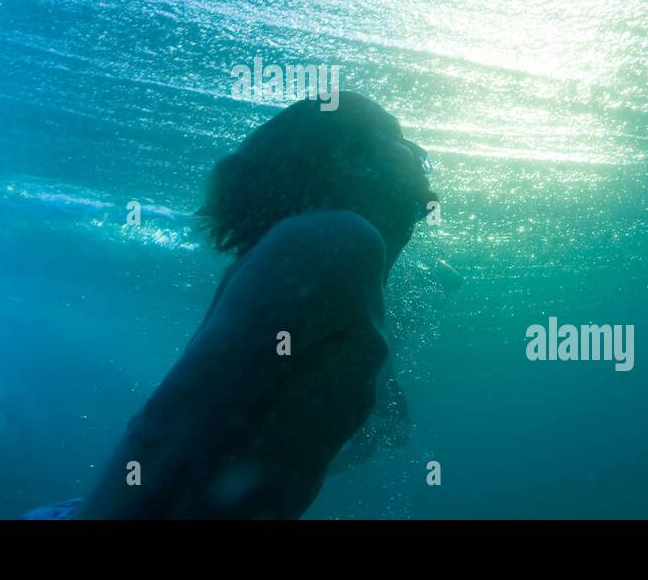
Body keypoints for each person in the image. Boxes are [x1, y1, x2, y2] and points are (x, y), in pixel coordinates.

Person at [30, 92, 436, 519]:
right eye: (400, 139)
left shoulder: (333, 257)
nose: (419, 154)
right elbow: (170, 424)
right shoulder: (335, 239)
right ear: (354, 158)